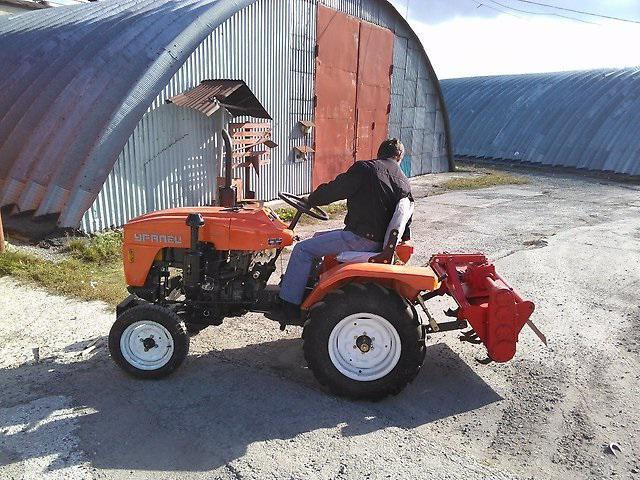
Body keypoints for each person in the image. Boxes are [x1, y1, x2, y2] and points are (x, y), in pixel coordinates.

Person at [275, 138, 413, 324]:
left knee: (302, 250)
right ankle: (306, 289)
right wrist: (400, 241)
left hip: (360, 238)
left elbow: (335, 190)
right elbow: (406, 220)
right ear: (399, 157)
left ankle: (288, 306)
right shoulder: (404, 182)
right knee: (317, 237)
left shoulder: (367, 169)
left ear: (379, 153)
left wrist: (311, 199)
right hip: (378, 241)